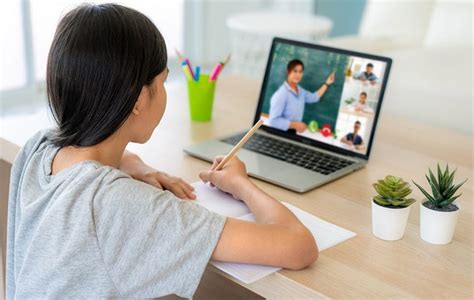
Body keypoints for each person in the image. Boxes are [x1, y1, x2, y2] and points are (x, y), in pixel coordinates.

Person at [6, 4, 318, 299]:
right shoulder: (123, 205)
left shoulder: (41, 147)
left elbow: (96, 166)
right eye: (164, 81)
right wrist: (241, 185)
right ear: (139, 100)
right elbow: (298, 246)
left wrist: (139, 168)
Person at [267, 59, 335, 133]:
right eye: (295, 71)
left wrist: (327, 83)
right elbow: (273, 121)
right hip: (279, 134)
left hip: (292, 133)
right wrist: (295, 125)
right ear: (288, 72)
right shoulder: (281, 94)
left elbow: (314, 97)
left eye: (300, 72)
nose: (298, 75)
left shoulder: (301, 91)